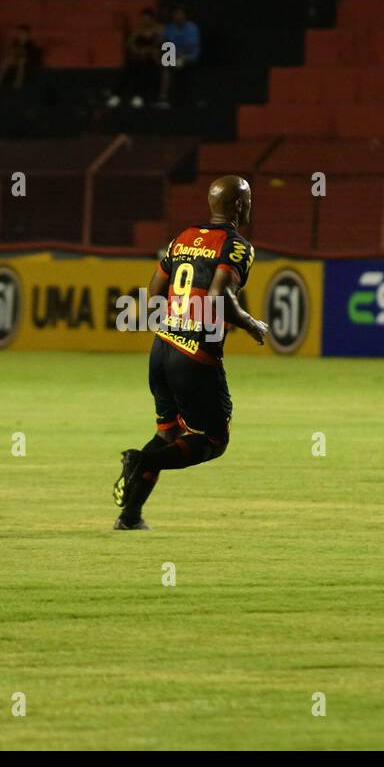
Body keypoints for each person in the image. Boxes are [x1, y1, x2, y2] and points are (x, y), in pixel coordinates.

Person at [112, 175, 268, 530]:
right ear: (240, 206)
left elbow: (152, 295)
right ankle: (140, 461)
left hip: (162, 348)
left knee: (169, 433)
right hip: (194, 354)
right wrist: (250, 324)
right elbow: (218, 297)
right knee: (213, 440)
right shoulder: (237, 246)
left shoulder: (181, 239)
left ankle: (130, 516)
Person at [107, 8, 160, 108]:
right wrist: (138, 51)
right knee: (129, 68)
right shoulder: (137, 30)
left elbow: (160, 44)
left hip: (154, 59)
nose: (145, 20)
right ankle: (116, 95)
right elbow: (130, 44)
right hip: (139, 58)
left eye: (147, 18)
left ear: (152, 19)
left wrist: (148, 51)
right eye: (143, 18)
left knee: (144, 68)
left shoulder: (158, 29)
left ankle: (138, 96)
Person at [156, 6, 200, 108]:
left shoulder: (192, 28)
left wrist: (177, 56)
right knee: (166, 65)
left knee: (175, 64)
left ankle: (177, 97)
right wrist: (159, 37)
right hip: (173, 55)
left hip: (189, 56)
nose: (178, 16)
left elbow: (190, 47)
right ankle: (163, 97)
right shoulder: (169, 28)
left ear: (185, 16)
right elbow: (162, 42)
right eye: (176, 14)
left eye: (180, 14)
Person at [0, 24, 40, 90]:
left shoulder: (30, 44)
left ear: (27, 35)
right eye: (20, 33)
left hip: (25, 62)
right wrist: (12, 57)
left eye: (23, 34)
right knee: (5, 62)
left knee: (21, 62)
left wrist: (22, 55)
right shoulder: (16, 42)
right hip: (16, 59)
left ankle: (18, 83)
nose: (21, 35)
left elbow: (30, 56)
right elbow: (13, 52)